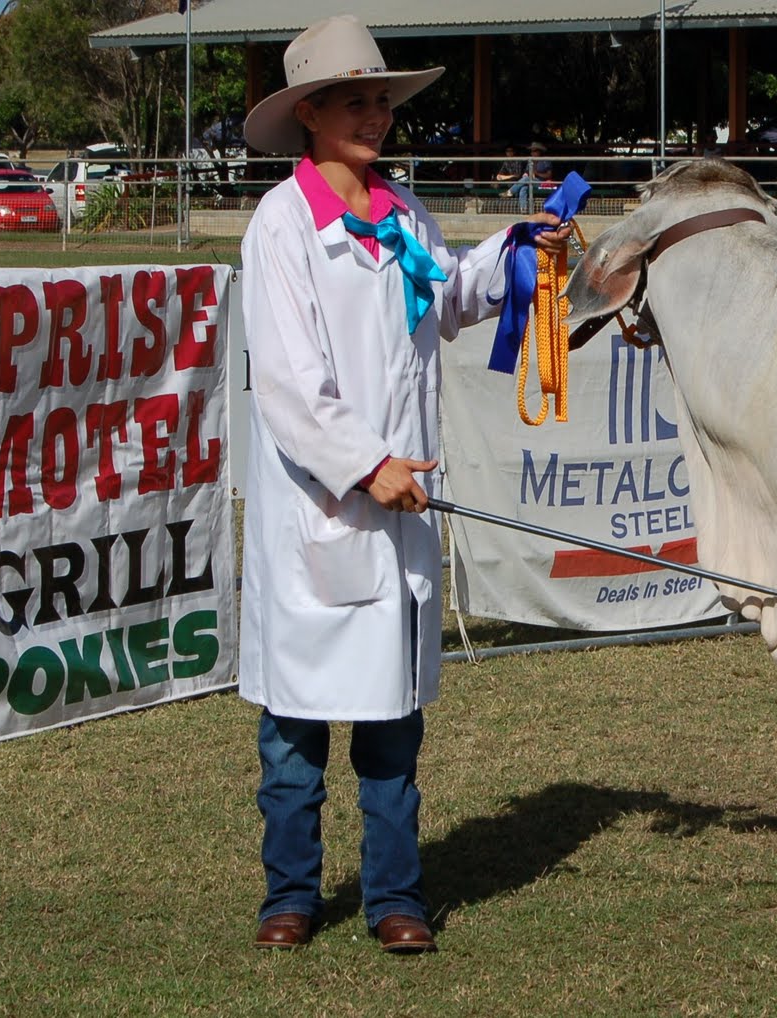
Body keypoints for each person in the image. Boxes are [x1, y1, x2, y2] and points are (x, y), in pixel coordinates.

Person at [238, 14, 571, 955]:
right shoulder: (284, 226)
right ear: (309, 114)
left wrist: (517, 254)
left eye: (382, 99)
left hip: (400, 508)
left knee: (392, 730)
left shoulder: (404, 216)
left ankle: (395, 897)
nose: (377, 115)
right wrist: (364, 465)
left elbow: (452, 295)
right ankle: (290, 898)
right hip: (324, 508)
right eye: (357, 100)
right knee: (294, 741)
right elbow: (293, 386)